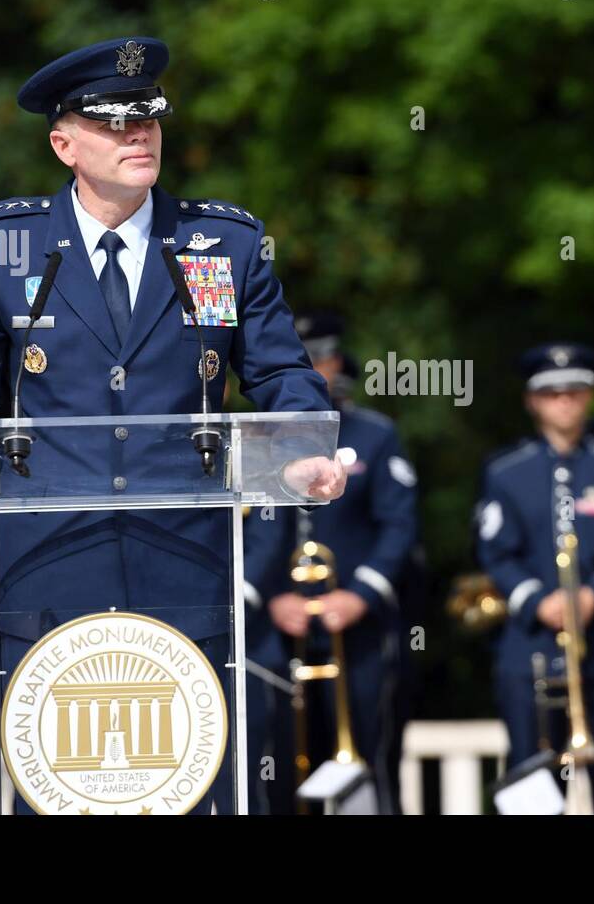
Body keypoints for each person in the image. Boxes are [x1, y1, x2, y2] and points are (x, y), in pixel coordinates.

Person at [0, 37, 346, 813]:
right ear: (64, 144)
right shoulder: (5, 245)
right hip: (51, 563)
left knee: (190, 787)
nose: (139, 134)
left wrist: (298, 449)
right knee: (57, 790)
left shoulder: (222, 244)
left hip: (184, 563)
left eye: (149, 117)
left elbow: (281, 372)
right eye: (114, 121)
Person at [243, 313, 418, 813]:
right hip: (275, 628)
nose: (311, 371)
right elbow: (251, 532)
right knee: (275, 761)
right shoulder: (257, 440)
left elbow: (399, 526)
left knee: (371, 758)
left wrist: (359, 595)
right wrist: (273, 596)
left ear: (336, 362)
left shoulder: (376, 435)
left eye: (318, 359)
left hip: (354, 627)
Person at [475, 343, 594, 814]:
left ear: (590, 397)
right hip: (531, 651)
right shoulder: (505, 473)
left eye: (575, 391)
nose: (565, 401)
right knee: (531, 791)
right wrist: (539, 601)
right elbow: (496, 552)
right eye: (552, 394)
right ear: (533, 401)